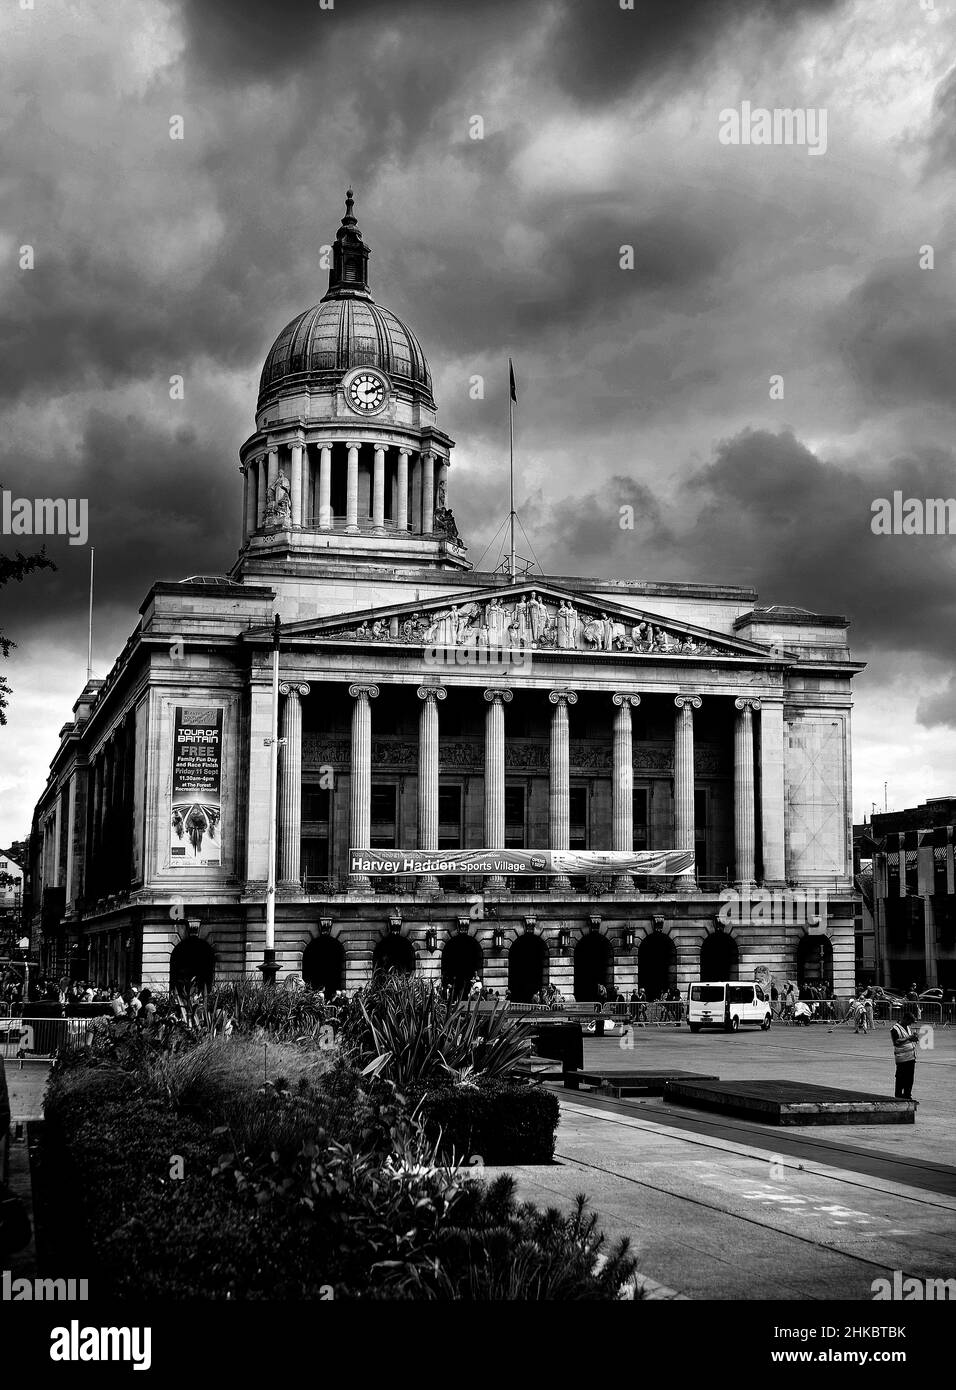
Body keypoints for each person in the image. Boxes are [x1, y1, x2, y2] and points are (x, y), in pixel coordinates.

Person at [890, 1009, 920, 1100]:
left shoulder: (907, 1027)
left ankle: (907, 1095)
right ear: (905, 1019)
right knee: (900, 1078)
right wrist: (909, 1037)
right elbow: (896, 1042)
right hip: (902, 1058)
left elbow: (908, 1039)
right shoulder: (894, 1029)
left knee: (910, 1078)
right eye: (910, 1022)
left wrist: (914, 1038)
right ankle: (898, 1096)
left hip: (911, 1057)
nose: (910, 1024)